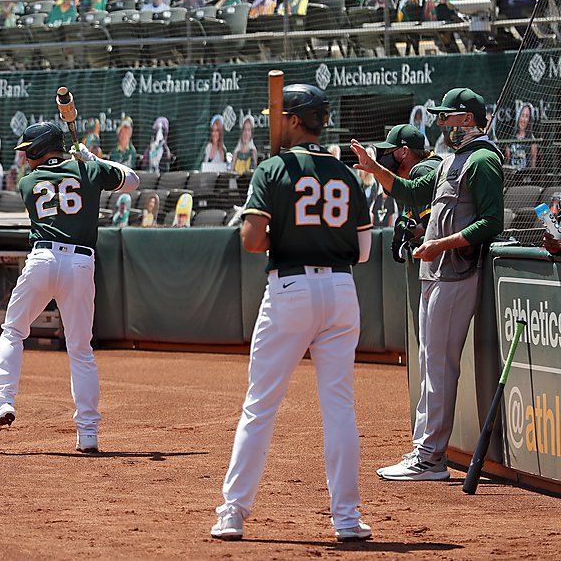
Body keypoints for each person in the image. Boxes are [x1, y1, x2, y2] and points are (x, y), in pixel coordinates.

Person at [213, 84, 373, 544]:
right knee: (339, 407)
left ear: (297, 120)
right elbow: (362, 252)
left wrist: (283, 228)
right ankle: (346, 518)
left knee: (260, 405)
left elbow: (251, 240)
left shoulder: (272, 168)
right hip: (342, 291)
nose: (272, 121)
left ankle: (233, 514)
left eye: (279, 115)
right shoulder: (345, 174)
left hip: (291, 290)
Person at [350, 88, 504, 481]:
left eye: (446, 117)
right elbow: (412, 191)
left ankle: (431, 457)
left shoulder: (484, 159)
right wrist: (375, 169)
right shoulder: (451, 158)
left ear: (467, 119)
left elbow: (492, 223)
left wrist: (441, 243)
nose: (440, 123)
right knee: (428, 364)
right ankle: (424, 448)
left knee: (438, 365)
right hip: (435, 272)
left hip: (457, 272)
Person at [0, 121, 139, 453]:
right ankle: (88, 433)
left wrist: (85, 163)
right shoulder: (87, 170)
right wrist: (95, 161)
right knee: (81, 350)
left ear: (39, 149)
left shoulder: (28, 183)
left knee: (13, 330)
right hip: (81, 264)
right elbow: (133, 181)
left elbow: (58, 177)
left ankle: (3, 401)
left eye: (28, 151)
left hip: (42, 260)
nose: (25, 159)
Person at [371, 124, 442, 263]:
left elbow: (431, 226)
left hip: (446, 262)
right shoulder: (410, 175)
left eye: (389, 151)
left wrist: (410, 232)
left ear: (404, 151)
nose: (385, 157)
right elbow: (409, 212)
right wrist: (403, 223)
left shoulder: (422, 170)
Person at [506, 103, 538, 170]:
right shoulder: (511, 138)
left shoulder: (532, 141)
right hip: (512, 177)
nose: (523, 119)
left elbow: (533, 166)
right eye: (522, 115)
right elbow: (507, 161)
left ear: (529, 120)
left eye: (526, 116)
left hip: (525, 177)